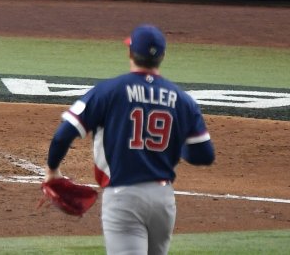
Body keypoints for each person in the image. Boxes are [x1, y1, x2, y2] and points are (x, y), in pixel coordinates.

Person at [44, 24, 215, 255]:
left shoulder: (108, 91)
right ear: (162, 57)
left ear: (130, 52)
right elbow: (204, 155)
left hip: (123, 198)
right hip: (163, 200)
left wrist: (53, 168)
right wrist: (175, 143)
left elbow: (63, 134)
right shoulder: (183, 100)